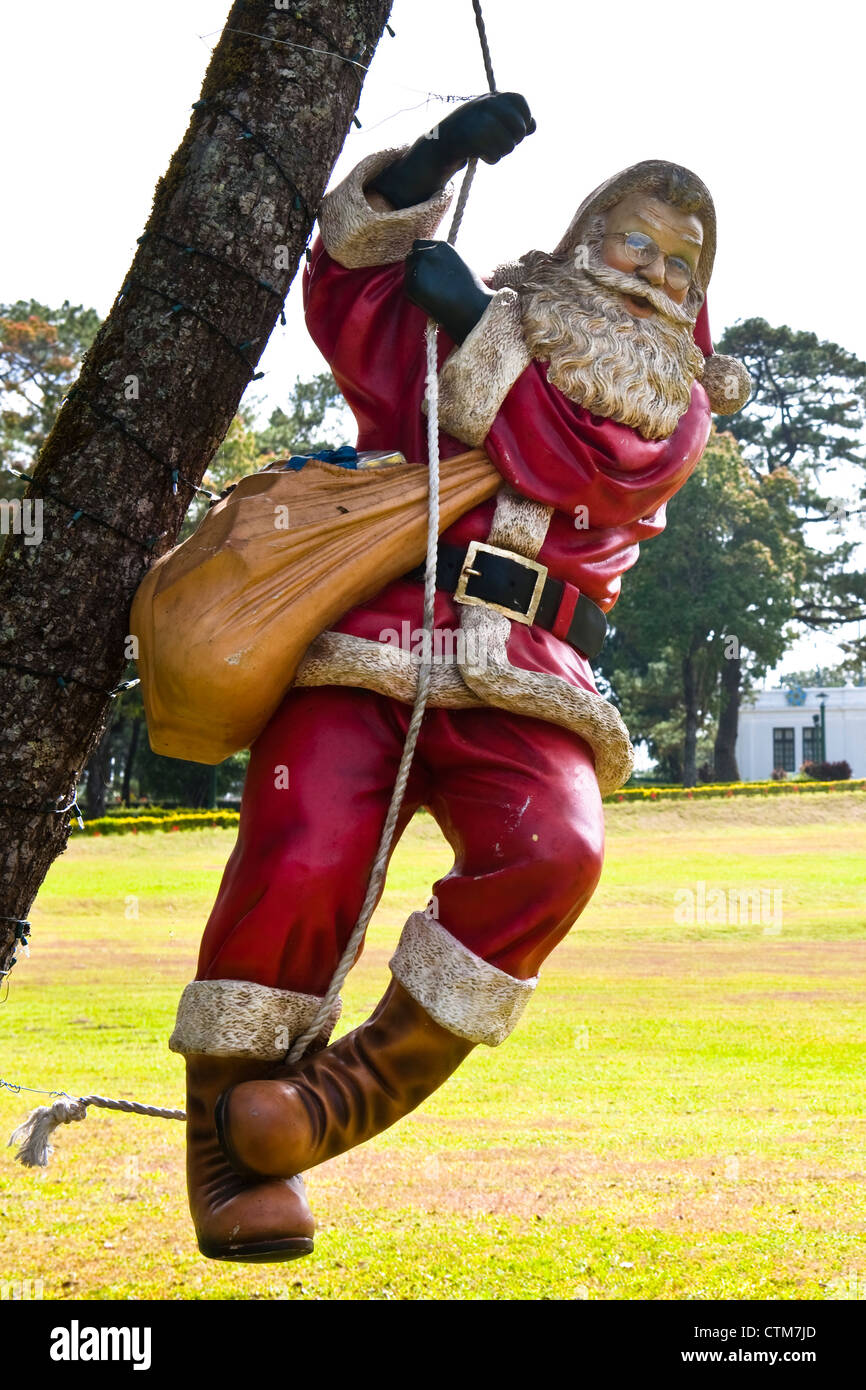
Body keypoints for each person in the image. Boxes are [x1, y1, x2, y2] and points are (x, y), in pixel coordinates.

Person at [168, 94, 751, 1262]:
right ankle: (227, 1162)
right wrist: (431, 162)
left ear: (695, 298)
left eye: (677, 263)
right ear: (583, 241)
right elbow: (345, 295)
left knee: (553, 851)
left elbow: (586, 463)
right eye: (631, 241)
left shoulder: (670, 404)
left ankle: (331, 1104)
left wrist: (478, 331)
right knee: (300, 851)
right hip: (367, 638)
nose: (649, 271)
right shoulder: (469, 319)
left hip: (528, 669)